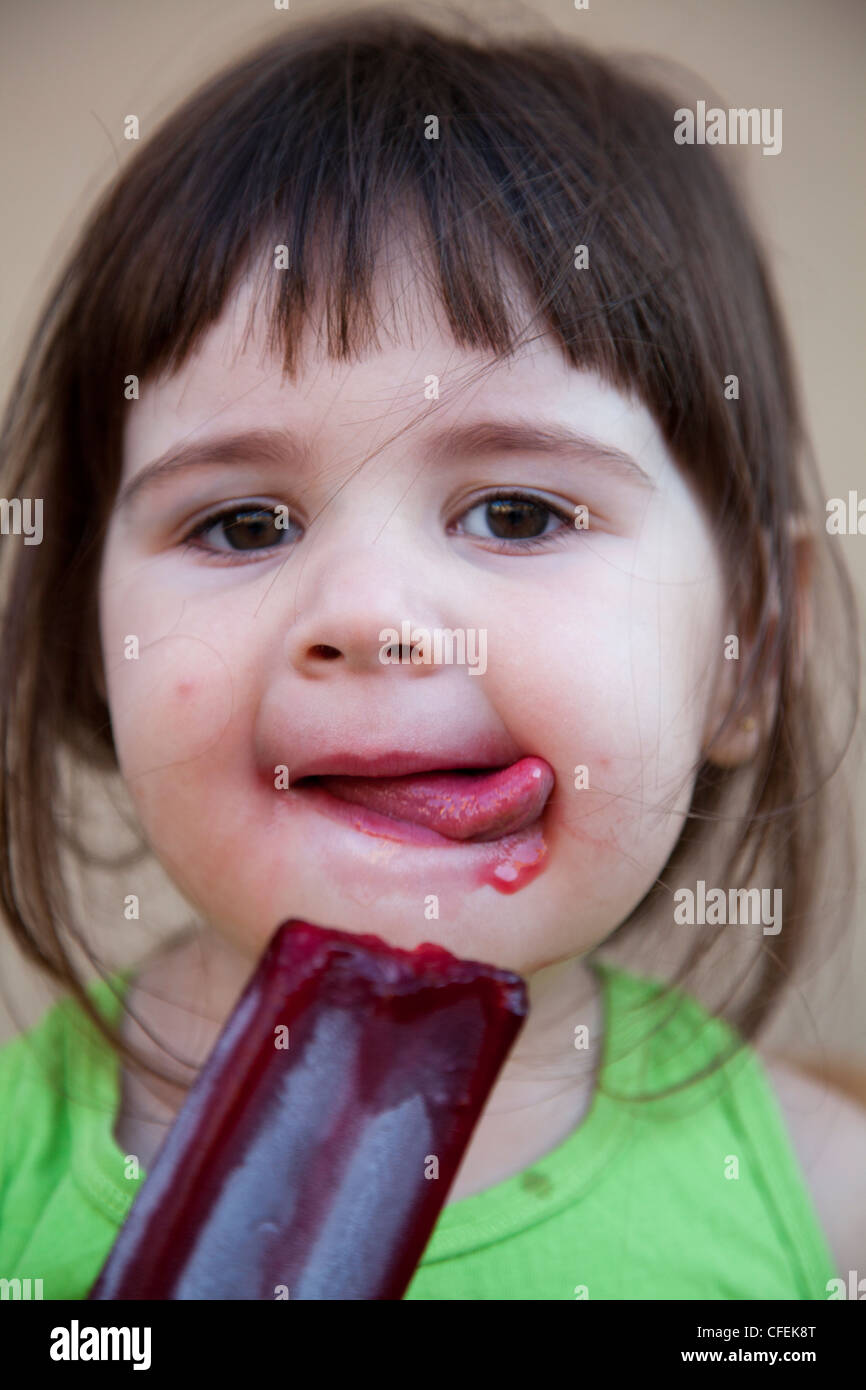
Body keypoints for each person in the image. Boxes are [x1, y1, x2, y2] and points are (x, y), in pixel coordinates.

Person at [1, 7, 864, 1300]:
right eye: (242, 522)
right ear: (87, 631)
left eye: (517, 513)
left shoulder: (825, 1208)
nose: (370, 614)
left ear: (746, 646)